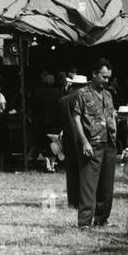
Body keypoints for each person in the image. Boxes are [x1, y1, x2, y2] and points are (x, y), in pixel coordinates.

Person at [72, 60, 117, 228]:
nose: (107, 80)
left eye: (109, 77)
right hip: (92, 143)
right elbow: (76, 119)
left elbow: (111, 116)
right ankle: (84, 222)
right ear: (94, 74)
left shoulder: (108, 94)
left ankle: (102, 219)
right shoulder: (82, 94)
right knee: (89, 184)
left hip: (109, 143)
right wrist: (84, 142)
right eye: (104, 76)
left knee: (107, 185)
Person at [57, 74, 88, 207]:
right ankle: (85, 199)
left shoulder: (62, 101)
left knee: (71, 171)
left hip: (68, 139)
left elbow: (59, 122)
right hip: (84, 139)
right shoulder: (86, 99)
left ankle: (73, 201)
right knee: (86, 170)